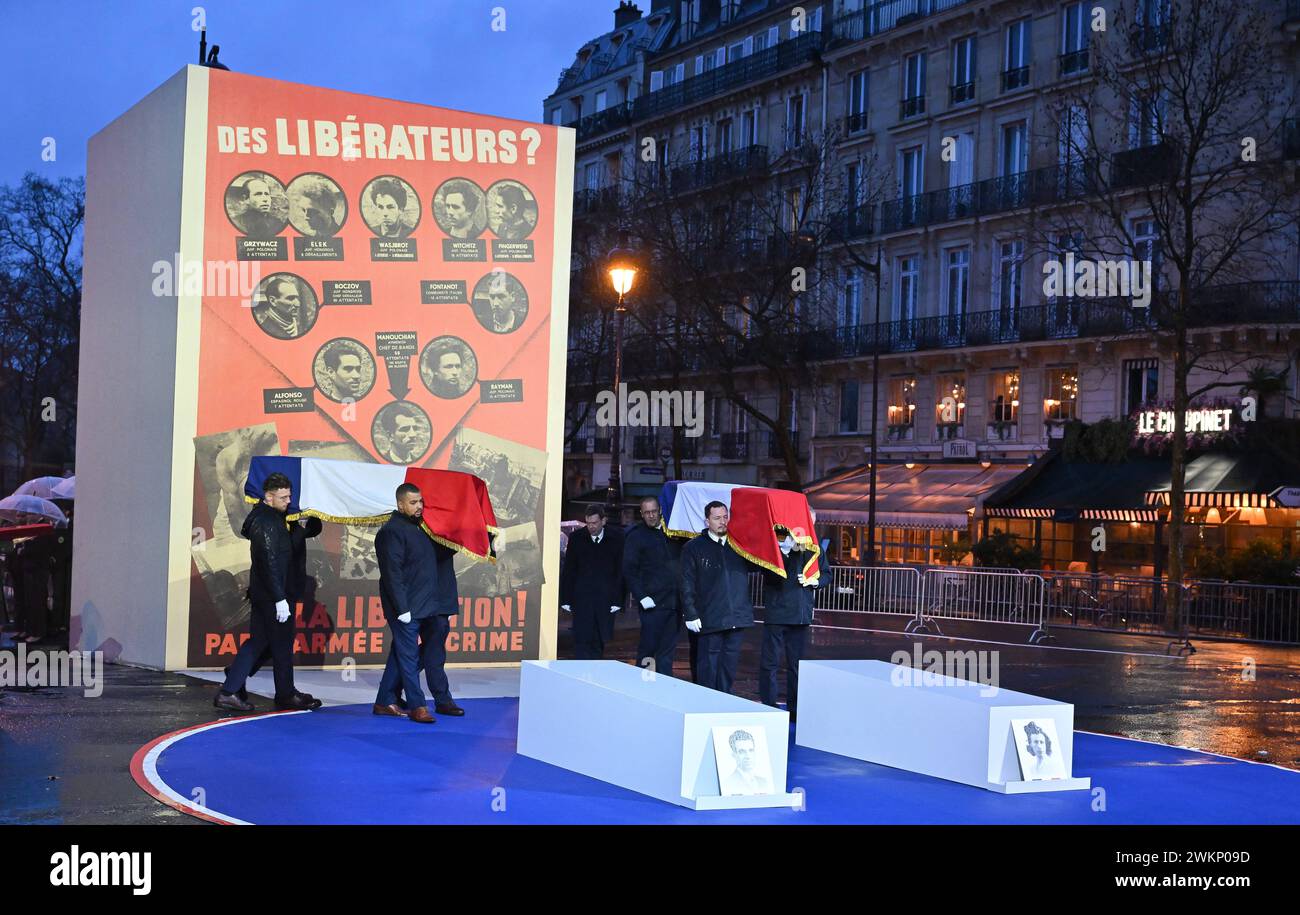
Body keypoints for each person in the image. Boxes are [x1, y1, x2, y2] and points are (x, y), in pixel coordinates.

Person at [215, 473, 321, 712]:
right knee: (281, 644)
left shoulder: (281, 519)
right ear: (268, 497)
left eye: (289, 496)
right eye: (283, 497)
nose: (288, 501)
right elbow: (269, 563)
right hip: (274, 594)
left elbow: (308, 531)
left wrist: (312, 511)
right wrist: (279, 598)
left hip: (273, 593)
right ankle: (284, 694)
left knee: (261, 642)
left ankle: (233, 683)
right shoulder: (267, 523)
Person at [373, 482, 464, 723]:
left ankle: (384, 701)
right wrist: (402, 609)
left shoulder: (420, 529)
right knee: (408, 657)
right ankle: (417, 706)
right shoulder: (391, 532)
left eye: (420, 502)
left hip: (425, 606)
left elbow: (437, 555)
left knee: (403, 655)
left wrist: (477, 538)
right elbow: (392, 574)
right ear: (400, 504)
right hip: (405, 608)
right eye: (413, 503)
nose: (419, 506)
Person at [679, 501, 757, 695]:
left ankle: (724, 704)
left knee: (729, 667)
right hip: (710, 618)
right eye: (717, 518)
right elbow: (686, 582)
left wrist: (780, 547)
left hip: (737, 617)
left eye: (725, 517)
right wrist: (690, 613)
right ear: (707, 521)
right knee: (707, 667)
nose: (722, 522)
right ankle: (706, 705)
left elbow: (760, 564)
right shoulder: (694, 547)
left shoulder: (738, 545)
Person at [758, 531, 821, 720]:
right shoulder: (777, 547)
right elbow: (771, 576)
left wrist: (816, 581)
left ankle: (795, 708)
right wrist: (783, 553)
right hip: (777, 613)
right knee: (770, 664)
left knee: (797, 666)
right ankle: (768, 705)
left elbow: (826, 573)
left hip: (799, 617)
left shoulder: (812, 549)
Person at [622, 496, 680, 677]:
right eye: (647, 512)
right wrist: (641, 596)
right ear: (641, 514)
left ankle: (664, 691)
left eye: (654, 511)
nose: (651, 515)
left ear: (660, 510)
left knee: (667, 653)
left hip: (674, 603)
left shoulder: (672, 533)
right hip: (652, 604)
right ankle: (644, 689)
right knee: (648, 651)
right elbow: (629, 570)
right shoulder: (636, 536)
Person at [559, 505, 625, 659]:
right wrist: (566, 598)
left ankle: (594, 676)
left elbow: (620, 571)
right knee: (581, 640)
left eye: (594, 523)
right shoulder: (577, 538)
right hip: (582, 598)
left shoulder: (617, 538)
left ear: (604, 521)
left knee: (599, 641)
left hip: (605, 599)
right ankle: (581, 676)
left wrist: (618, 600)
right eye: (588, 523)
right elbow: (569, 569)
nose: (591, 527)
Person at [721, 729, 771, 795]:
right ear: (734, 755)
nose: (748, 756)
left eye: (751, 750)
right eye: (742, 752)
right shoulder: (727, 784)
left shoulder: (763, 782)